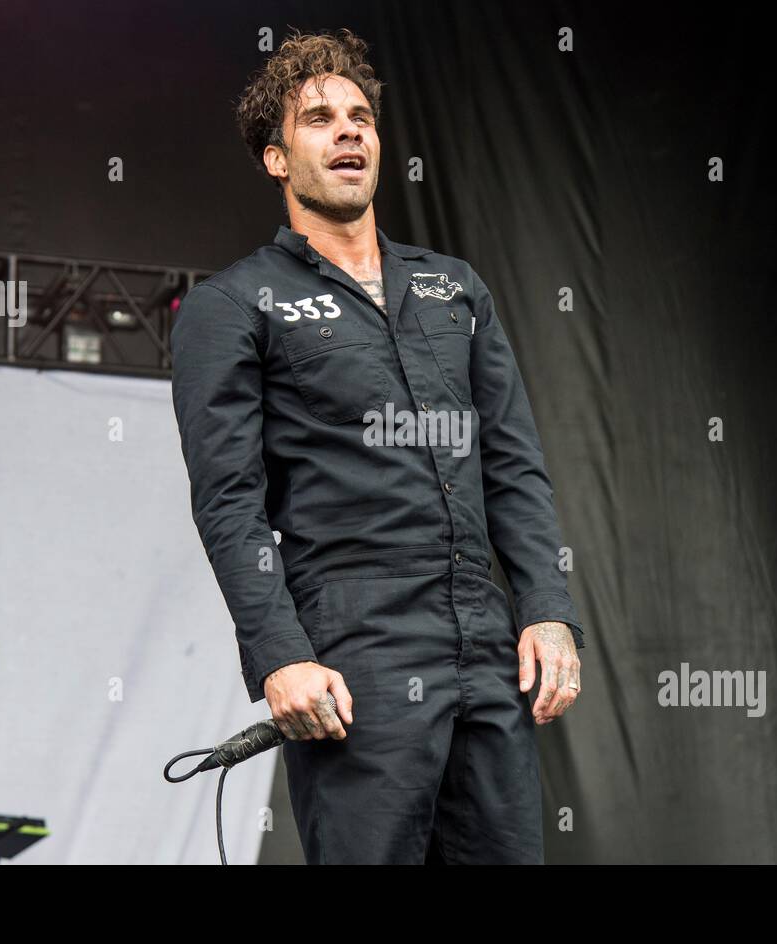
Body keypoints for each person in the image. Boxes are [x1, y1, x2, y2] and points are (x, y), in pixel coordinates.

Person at [170, 27, 585, 864]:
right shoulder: (234, 303)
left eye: (361, 116)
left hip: (484, 639)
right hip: (356, 647)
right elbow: (228, 501)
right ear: (277, 158)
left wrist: (547, 606)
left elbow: (514, 464)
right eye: (320, 118)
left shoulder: (454, 286)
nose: (350, 131)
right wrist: (281, 656)